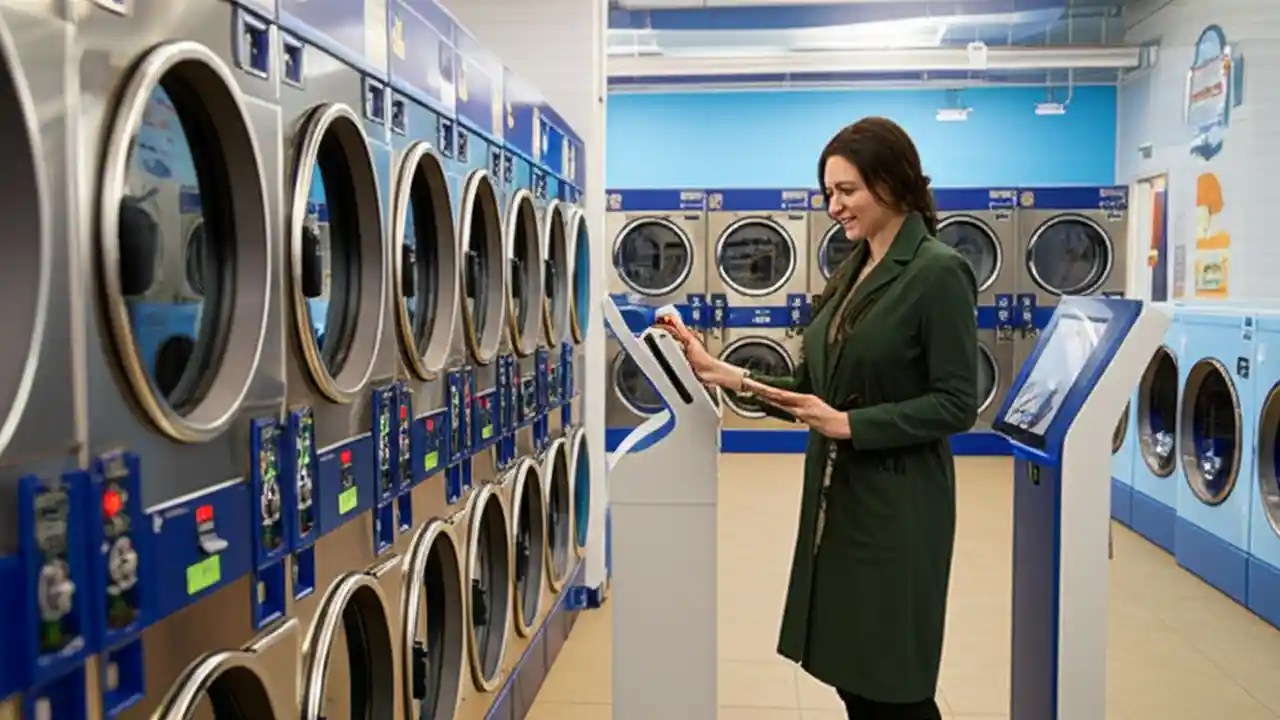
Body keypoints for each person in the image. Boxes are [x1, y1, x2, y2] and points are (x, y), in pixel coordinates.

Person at [667, 117, 979, 719]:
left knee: (894, 684)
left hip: (897, 506)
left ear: (894, 182)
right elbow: (813, 387)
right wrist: (720, 372)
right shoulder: (854, 269)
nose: (835, 206)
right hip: (839, 500)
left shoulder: (937, 272)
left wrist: (850, 426)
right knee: (853, 677)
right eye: (828, 193)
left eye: (848, 191)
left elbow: (956, 402)